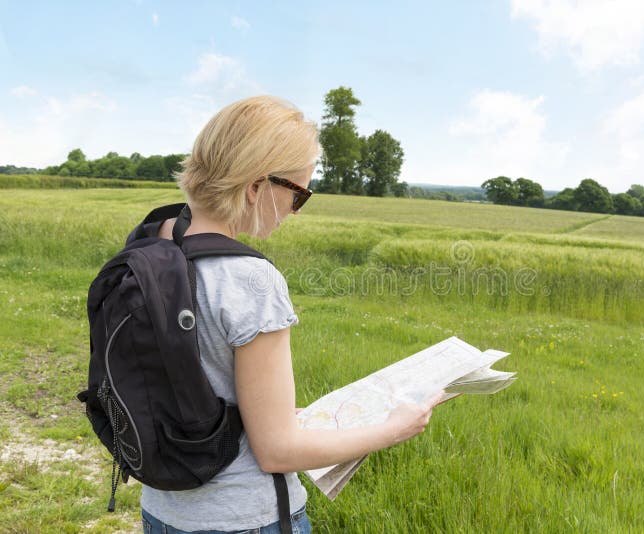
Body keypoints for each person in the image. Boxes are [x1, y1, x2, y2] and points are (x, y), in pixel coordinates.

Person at [140, 95, 442, 533]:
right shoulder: (251, 280)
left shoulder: (155, 241)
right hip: (244, 519)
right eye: (298, 194)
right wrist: (394, 429)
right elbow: (277, 452)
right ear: (256, 187)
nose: (295, 211)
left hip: (163, 511)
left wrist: (276, 412)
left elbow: (195, 384)